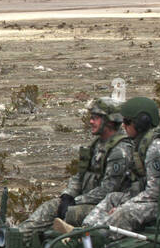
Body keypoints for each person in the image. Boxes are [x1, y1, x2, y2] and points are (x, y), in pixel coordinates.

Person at [81, 96, 160, 234]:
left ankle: (97, 239)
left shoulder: (157, 147)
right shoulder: (145, 142)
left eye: (127, 122)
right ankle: (85, 231)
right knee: (112, 198)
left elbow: (154, 192)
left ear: (141, 123)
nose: (123, 126)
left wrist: (125, 205)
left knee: (125, 212)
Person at [17, 97, 133, 233]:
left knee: (69, 214)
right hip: (85, 201)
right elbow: (79, 176)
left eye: (95, 118)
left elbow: (107, 190)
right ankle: (13, 239)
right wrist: (68, 195)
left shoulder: (120, 151)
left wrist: (76, 201)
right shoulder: (97, 145)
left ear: (109, 121)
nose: (90, 121)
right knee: (51, 206)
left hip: (104, 206)